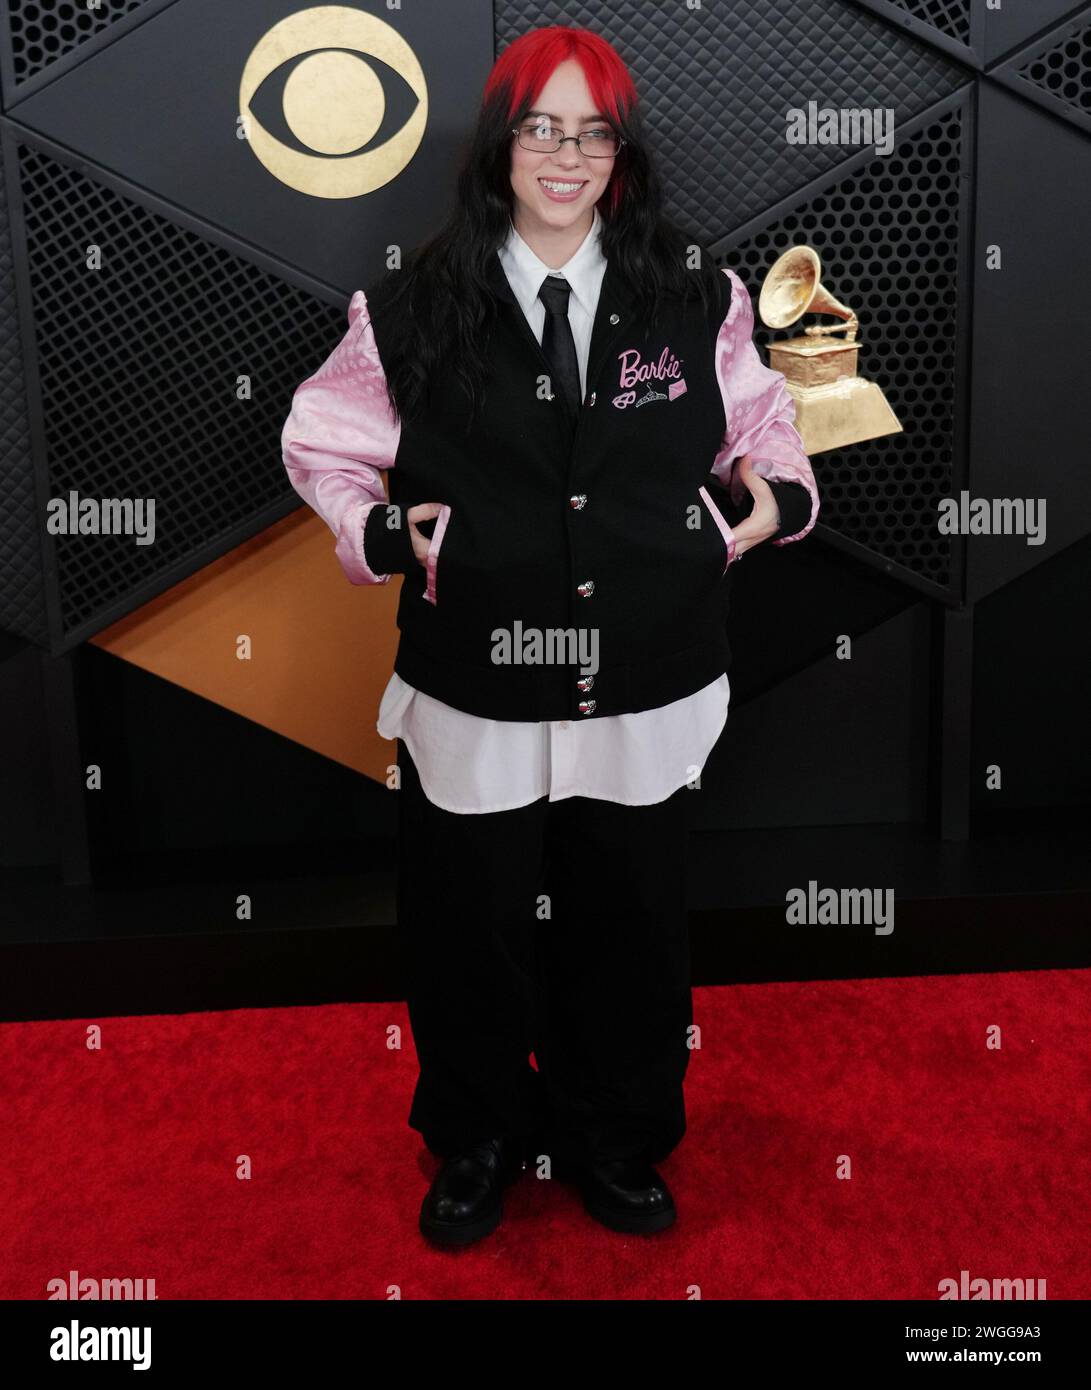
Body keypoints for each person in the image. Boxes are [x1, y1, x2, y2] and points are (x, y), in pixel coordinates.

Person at [281, 24, 819, 1247]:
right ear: (501, 145)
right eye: (540, 128)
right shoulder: (417, 304)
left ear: (619, 154)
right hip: (474, 682)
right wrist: (377, 531)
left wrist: (770, 502)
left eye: (591, 132)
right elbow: (319, 437)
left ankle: (612, 1136)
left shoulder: (696, 296)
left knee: (627, 924)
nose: (565, 156)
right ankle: (474, 1138)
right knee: (464, 929)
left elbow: (768, 422)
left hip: (646, 673)